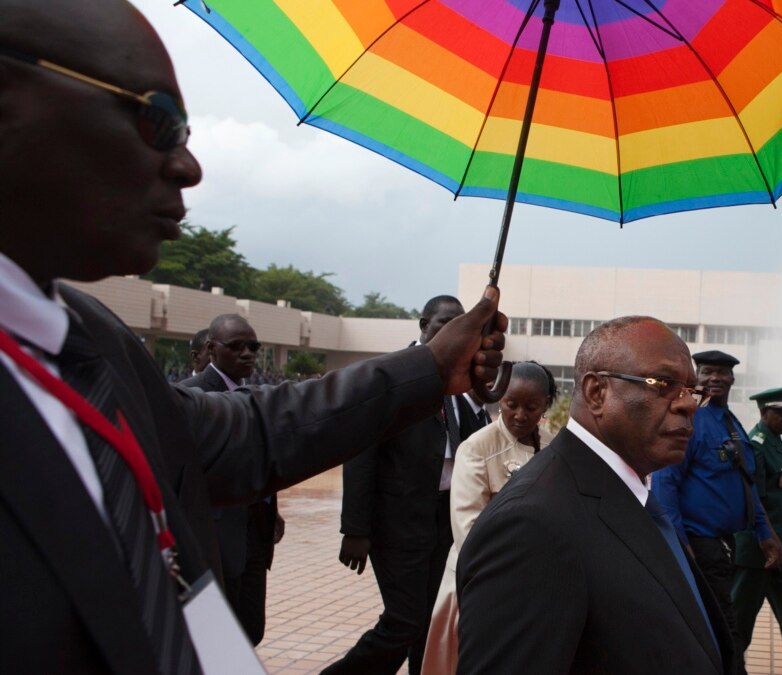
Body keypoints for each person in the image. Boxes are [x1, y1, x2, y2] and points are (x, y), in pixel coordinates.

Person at [0, 2, 506, 671]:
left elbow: (247, 436)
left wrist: (427, 368)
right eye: (158, 120)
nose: (188, 167)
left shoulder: (88, 336)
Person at [457, 317, 737, 675]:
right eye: (663, 384)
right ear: (596, 393)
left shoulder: (634, 491)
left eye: (690, 390)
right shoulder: (531, 526)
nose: (688, 405)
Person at [325, 295, 491, 675]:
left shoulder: (452, 381)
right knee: (403, 622)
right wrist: (355, 528)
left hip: (441, 520)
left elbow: (470, 443)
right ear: (423, 324)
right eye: (442, 324)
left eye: (458, 325)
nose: (450, 332)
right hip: (397, 522)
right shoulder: (395, 375)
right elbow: (361, 455)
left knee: (432, 622)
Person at [652, 350, 782, 672]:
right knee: (724, 629)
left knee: (717, 627)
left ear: (732, 380)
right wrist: (679, 543)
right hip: (700, 545)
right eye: (708, 372)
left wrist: (764, 533)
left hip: (727, 543)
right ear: (696, 378)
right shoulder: (688, 418)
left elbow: (746, 483)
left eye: (723, 373)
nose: (715, 378)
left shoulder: (730, 421)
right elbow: (666, 484)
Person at [422, 361, 557, 674]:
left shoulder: (554, 447)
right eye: (511, 405)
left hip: (535, 581)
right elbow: (467, 525)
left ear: (545, 405)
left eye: (531, 407)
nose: (520, 416)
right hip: (481, 576)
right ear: (500, 400)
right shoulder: (477, 448)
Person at [179, 314, 286, 646]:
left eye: (253, 347)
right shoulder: (189, 396)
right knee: (221, 637)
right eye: (236, 346)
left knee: (251, 629)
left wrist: (271, 508)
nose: (247, 354)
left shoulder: (257, 394)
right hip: (216, 535)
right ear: (211, 349)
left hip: (256, 532)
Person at [732, 386, 782, 675]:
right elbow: (755, 504)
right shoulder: (755, 445)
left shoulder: (776, 443)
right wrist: (775, 547)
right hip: (757, 553)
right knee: (740, 623)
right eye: (780, 412)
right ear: (764, 412)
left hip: (781, 552)